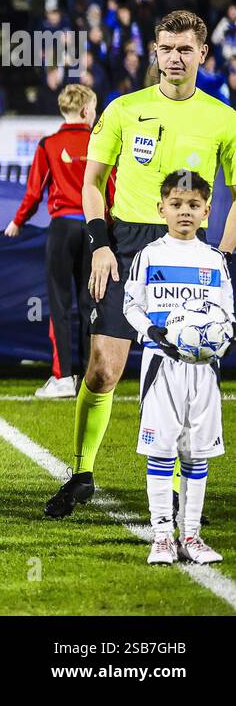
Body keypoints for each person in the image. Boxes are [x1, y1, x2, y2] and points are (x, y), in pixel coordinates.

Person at [45, 11, 236, 519]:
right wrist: (100, 244)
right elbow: (91, 184)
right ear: (155, 52)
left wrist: (223, 258)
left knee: (180, 372)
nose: (175, 58)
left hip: (190, 253)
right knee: (103, 370)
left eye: (185, 50)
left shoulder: (224, 118)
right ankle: (81, 472)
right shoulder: (123, 109)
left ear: (202, 55)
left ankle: (173, 488)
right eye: (166, 49)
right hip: (125, 245)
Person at [122, 170, 227, 566]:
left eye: (194, 206)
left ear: (207, 211)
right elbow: (131, 305)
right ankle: (162, 536)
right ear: (161, 208)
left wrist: (222, 336)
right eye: (177, 205)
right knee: (162, 450)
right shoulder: (150, 255)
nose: (185, 212)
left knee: (197, 455)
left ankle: (192, 536)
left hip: (203, 372)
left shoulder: (214, 260)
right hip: (161, 367)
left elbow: (227, 312)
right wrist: (152, 330)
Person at [4, 83, 104, 398]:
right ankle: (93, 378)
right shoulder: (98, 142)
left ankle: (62, 378)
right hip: (94, 229)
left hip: (61, 230)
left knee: (60, 305)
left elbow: (34, 191)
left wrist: (17, 222)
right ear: (87, 111)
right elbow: (110, 189)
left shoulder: (49, 144)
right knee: (93, 304)